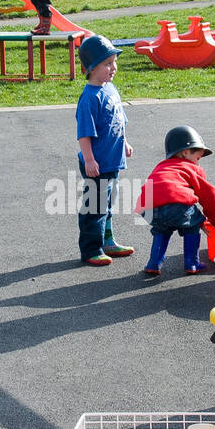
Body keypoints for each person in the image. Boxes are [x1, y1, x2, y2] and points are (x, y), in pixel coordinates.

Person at [134, 126, 215, 276]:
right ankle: (192, 263)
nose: (198, 163)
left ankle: (154, 263)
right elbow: (209, 195)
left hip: (148, 206)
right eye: (197, 158)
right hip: (174, 203)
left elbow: (158, 188)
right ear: (185, 152)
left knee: (161, 230)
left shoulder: (161, 166)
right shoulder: (192, 168)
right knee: (193, 224)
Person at [75, 35, 134, 266]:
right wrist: (89, 160)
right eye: (107, 63)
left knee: (107, 205)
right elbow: (84, 134)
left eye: (114, 62)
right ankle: (91, 249)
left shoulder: (110, 89)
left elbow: (119, 121)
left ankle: (107, 241)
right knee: (94, 208)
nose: (114, 68)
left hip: (112, 161)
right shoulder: (89, 98)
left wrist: (125, 143)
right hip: (96, 163)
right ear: (91, 68)